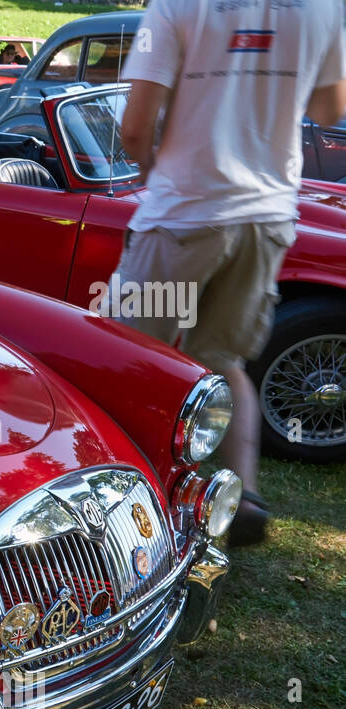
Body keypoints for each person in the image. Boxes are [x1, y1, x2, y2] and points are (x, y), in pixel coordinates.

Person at [111, 0, 346, 546]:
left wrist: (155, 176)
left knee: (131, 358)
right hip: (264, 220)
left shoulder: (176, 5)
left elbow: (135, 127)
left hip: (182, 220)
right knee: (222, 359)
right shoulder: (325, 6)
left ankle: (128, 505)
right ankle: (243, 494)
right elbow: (332, 108)